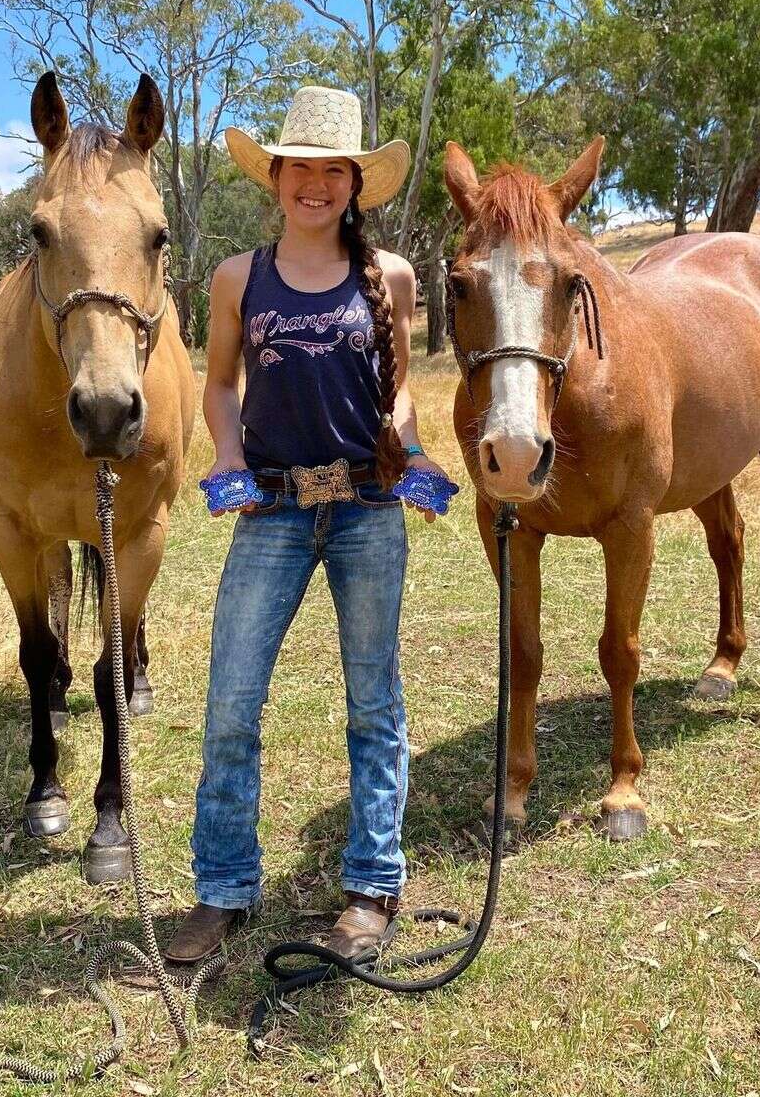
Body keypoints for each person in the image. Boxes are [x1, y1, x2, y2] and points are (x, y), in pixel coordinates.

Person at [165, 86, 450, 965]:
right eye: (302, 169)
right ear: (276, 177)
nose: (316, 185)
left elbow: (397, 385)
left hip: (367, 509)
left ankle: (372, 884)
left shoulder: (391, 277)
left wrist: (411, 448)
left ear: (355, 183)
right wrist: (223, 454)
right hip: (274, 514)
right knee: (230, 702)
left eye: (336, 171)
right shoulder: (237, 279)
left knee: (375, 702)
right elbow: (219, 385)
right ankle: (222, 890)